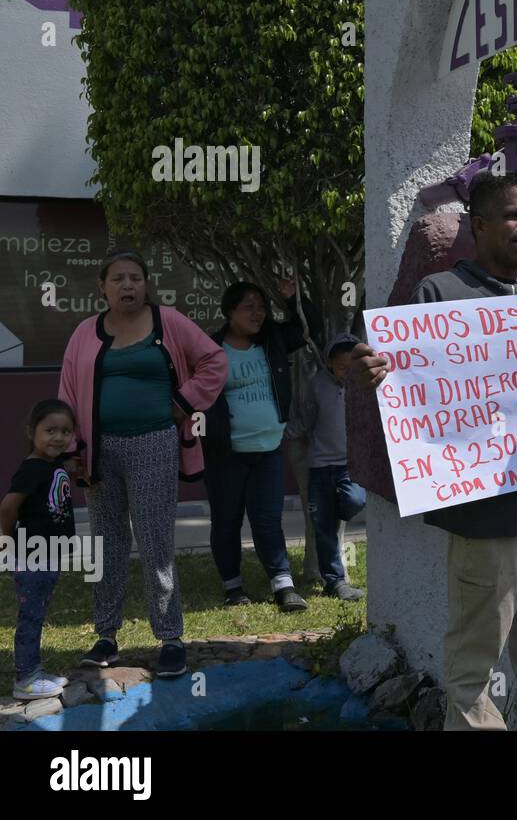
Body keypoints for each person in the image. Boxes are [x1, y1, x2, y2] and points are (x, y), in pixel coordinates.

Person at [351, 170, 517, 731]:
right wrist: (366, 365)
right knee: (476, 647)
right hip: (486, 515)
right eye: (514, 215)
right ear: (478, 225)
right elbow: (399, 376)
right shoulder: (438, 295)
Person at [59, 250, 227, 678]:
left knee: (155, 542)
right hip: (100, 451)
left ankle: (170, 637)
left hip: (154, 443)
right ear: (102, 286)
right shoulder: (84, 332)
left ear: (146, 284)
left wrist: (184, 402)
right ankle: (106, 637)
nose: (128, 285)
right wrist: (71, 453)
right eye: (118, 278)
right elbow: (68, 396)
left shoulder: (168, 321)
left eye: (135, 277)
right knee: (106, 542)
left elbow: (214, 360)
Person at [203, 279, 315, 611]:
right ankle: (233, 588)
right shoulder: (210, 349)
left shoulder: (273, 341)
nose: (258, 313)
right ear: (229, 312)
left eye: (261, 306)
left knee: (267, 518)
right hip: (226, 453)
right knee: (227, 519)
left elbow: (310, 326)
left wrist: (294, 298)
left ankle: (283, 586)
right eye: (249, 306)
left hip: (268, 450)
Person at [1, 400, 77, 700]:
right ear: (31, 432)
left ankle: (34, 670)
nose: (58, 437)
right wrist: (9, 540)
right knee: (31, 617)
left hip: (49, 553)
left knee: (38, 613)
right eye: (50, 430)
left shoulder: (50, 464)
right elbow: (7, 508)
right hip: (32, 555)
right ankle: (26, 679)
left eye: (66, 431)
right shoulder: (32, 468)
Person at [299, 334, 366, 601]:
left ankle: (339, 507)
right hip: (320, 466)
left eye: (352, 368)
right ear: (329, 364)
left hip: (350, 466)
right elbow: (306, 418)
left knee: (354, 499)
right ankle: (334, 580)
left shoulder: (364, 385)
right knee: (323, 528)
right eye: (341, 368)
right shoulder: (317, 385)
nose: (346, 374)